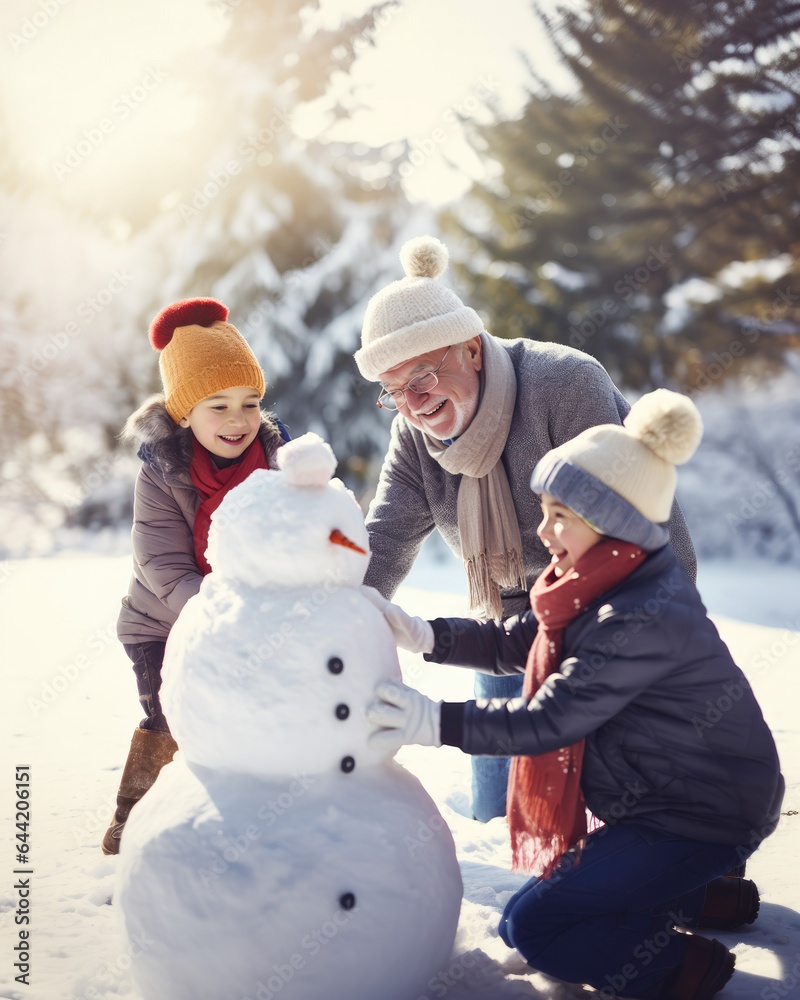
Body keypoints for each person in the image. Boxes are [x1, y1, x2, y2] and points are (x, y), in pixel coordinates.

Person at [363, 388, 784, 1000]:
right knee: (515, 919)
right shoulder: (601, 581)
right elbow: (519, 641)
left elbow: (547, 721)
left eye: (560, 514)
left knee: (541, 928)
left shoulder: (638, 616)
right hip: (664, 803)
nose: (543, 530)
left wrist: (433, 722)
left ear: (614, 522)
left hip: (701, 815)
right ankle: (700, 895)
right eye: (544, 509)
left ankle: (682, 968)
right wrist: (428, 635)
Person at [354, 234, 697, 822]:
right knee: (503, 817)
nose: (412, 403)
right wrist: (331, 615)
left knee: (623, 801)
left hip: (613, 616)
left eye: (422, 377)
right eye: (393, 391)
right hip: (507, 629)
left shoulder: (563, 385)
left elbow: (633, 529)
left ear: (471, 349)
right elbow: (380, 544)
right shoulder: (414, 437)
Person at [102, 297, 288, 855]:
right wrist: (225, 615)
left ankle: (237, 818)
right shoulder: (161, 473)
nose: (238, 420)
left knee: (248, 713)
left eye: (250, 403)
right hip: (162, 622)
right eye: (218, 405)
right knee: (172, 713)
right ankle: (133, 819)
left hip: (249, 619)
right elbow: (163, 566)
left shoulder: (278, 459)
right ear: (183, 413)